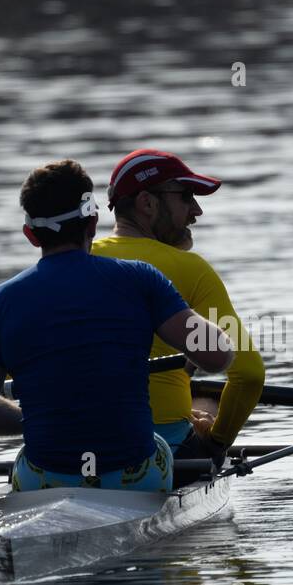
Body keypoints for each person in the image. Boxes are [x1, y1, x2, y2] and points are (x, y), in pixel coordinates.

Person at [0, 159, 233, 492]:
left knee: (27, 458)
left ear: (31, 235)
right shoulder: (140, 280)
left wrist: (37, 421)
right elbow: (217, 356)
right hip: (133, 472)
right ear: (92, 221)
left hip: (46, 476)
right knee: (161, 443)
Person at [92, 148, 265, 469]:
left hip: (68, 454)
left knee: (190, 380)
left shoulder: (69, 261)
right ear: (147, 203)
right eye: (186, 196)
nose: (196, 211)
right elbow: (250, 376)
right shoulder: (190, 268)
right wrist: (216, 442)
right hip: (163, 455)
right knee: (207, 397)